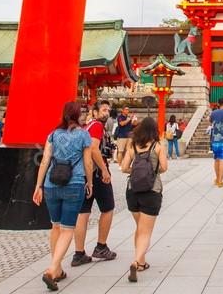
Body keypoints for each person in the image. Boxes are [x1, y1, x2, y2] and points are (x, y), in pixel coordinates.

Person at [32, 101, 94, 291]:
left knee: (55, 226)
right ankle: (52, 270)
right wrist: (90, 182)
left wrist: (38, 185)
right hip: (74, 184)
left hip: (51, 185)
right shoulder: (84, 135)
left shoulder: (53, 134)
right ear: (77, 115)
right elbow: (88, 162)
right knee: (67, 229)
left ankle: (58, 268)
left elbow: (44, 160)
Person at [119, 116, 168, 283]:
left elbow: (123, 168)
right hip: (151, 191)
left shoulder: (132, 145)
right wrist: (151, 171)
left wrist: (136, 171)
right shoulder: (158, 146)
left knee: (139, 228)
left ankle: (141, 262)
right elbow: (164, 167)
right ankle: (136, 261)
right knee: (145, 231)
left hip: (132, 191)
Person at [71, 101, 117, 267]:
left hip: (83, 173)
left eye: (108, 109)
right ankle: (101, 247)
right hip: (96, 173)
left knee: (83, 213)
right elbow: (94, 148)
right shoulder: (97, 126)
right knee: (108, 208)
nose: (107, 112)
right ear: (95, 112)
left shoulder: (86, 126)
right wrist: (104, 170)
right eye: (103, 109)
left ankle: (79, 253)